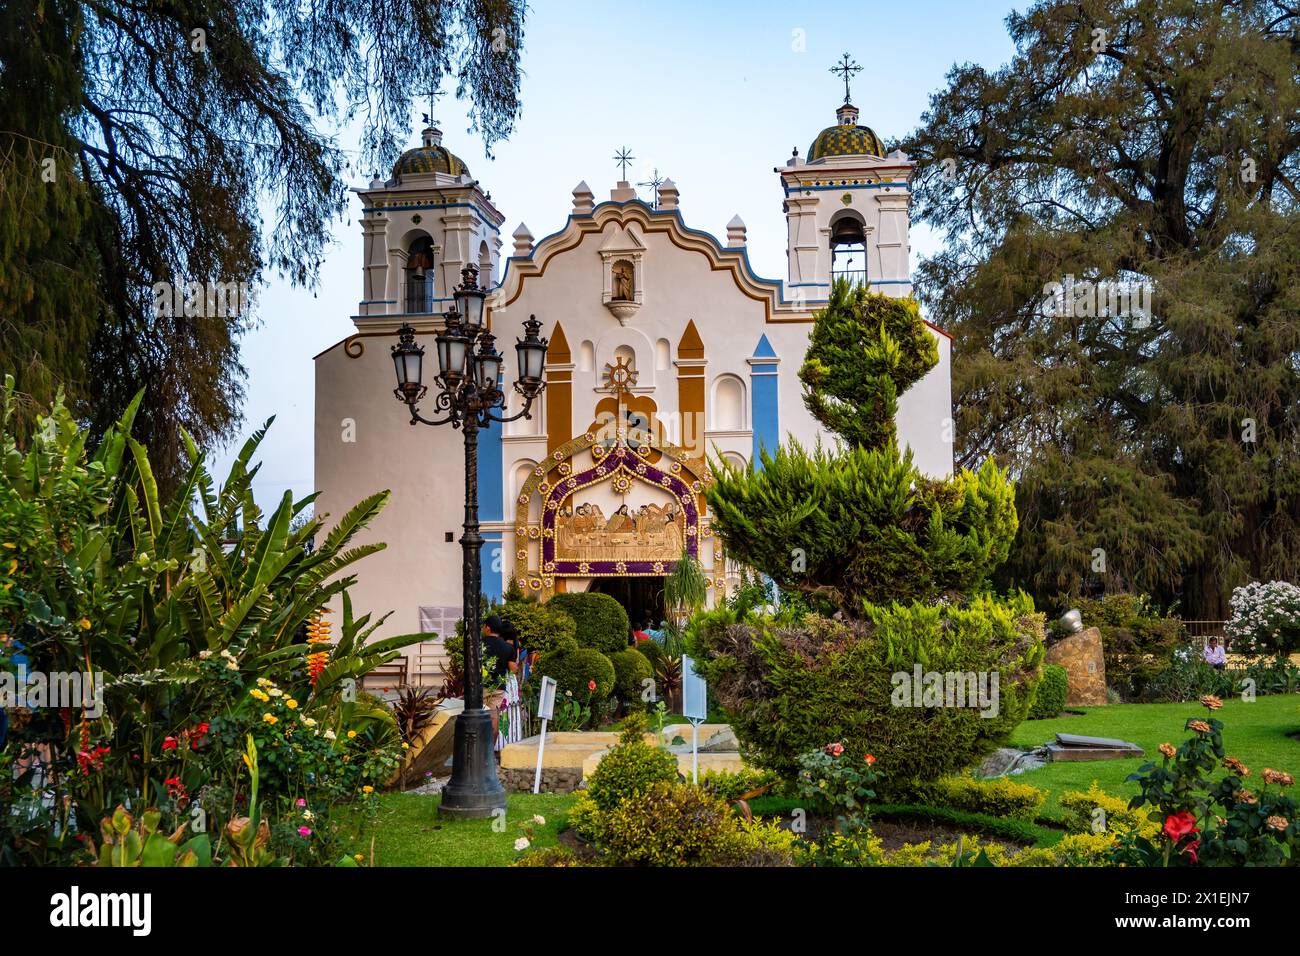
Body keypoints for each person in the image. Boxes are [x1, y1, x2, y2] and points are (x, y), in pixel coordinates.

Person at [481, 615, 521, 750]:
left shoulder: (477, 644)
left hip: (479, 687)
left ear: (487, 627)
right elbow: (513, 669)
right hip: (497, 688)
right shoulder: (507, 648)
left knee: (476, 717)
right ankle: (488, 752)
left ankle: (476, 751)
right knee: (493, 719)